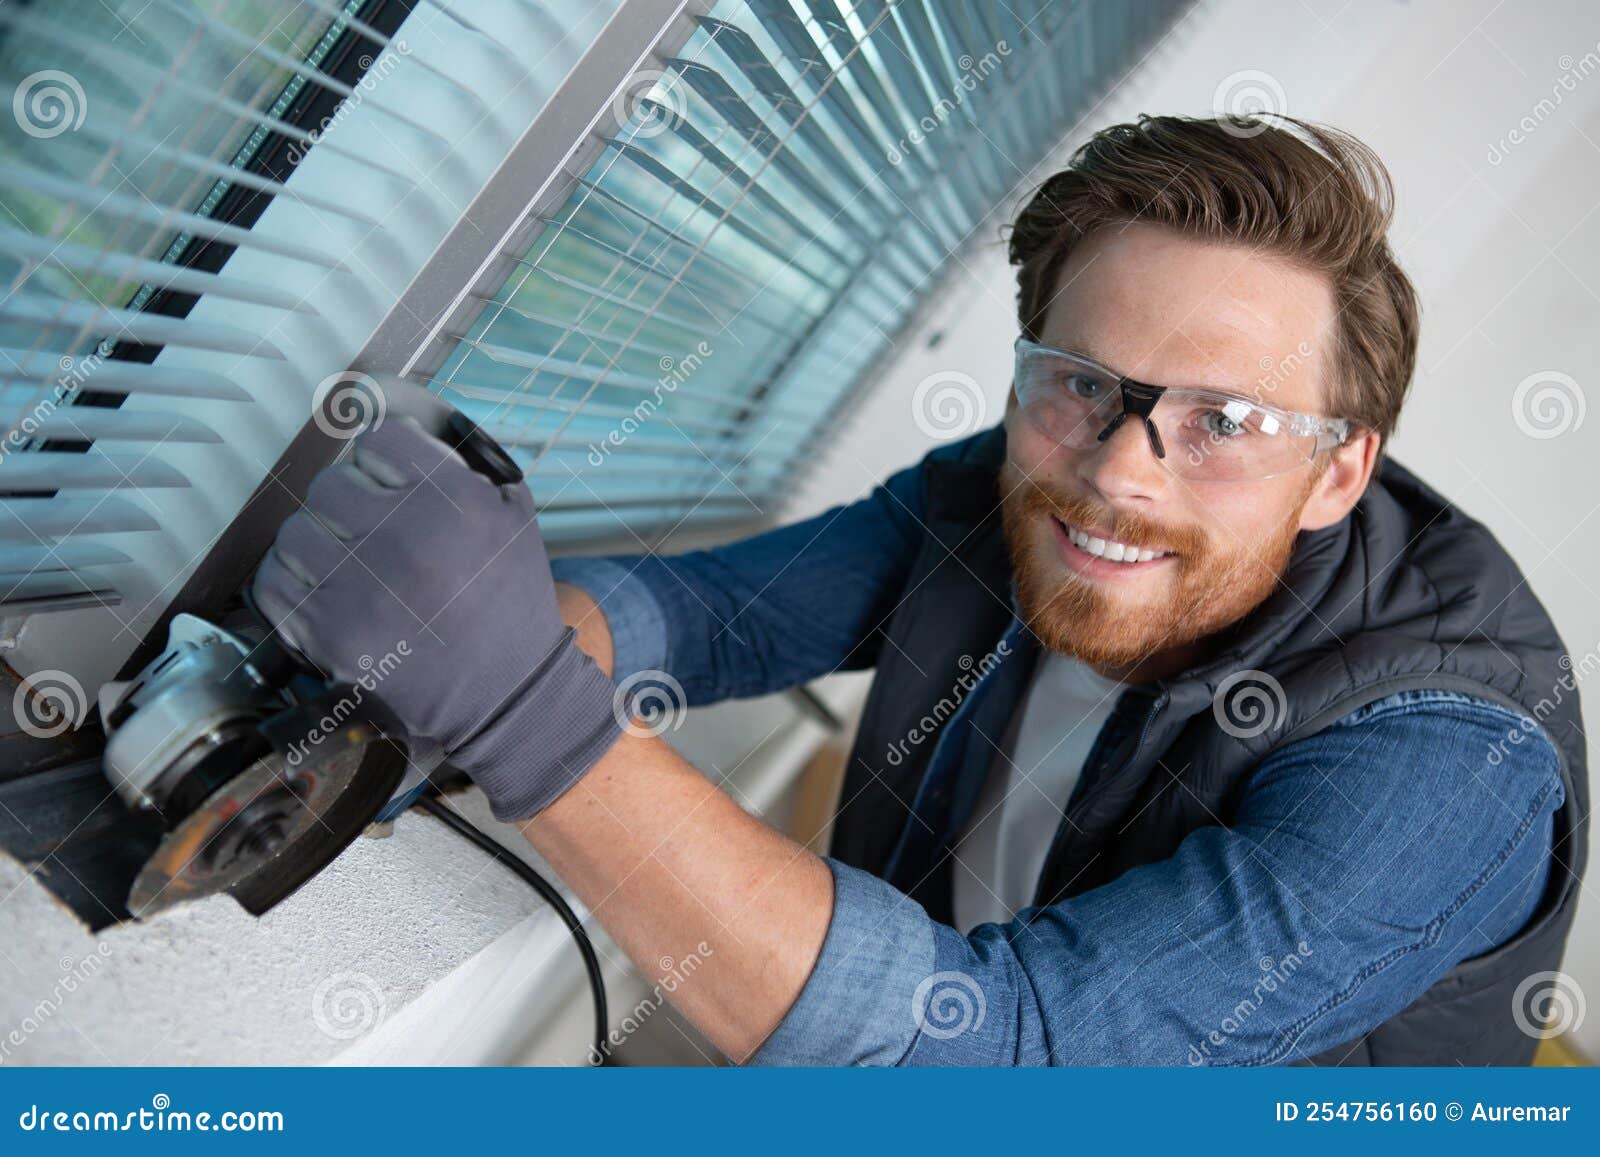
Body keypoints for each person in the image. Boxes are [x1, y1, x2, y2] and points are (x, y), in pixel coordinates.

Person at [253, 115, 1587, 1066]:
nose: (1122, 471)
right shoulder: (999, 484)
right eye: (1083, 383)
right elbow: (698, 618)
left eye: (1223, 418)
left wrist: (524, 707)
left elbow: (1012, 1059)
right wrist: (412, 663)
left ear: (1341, 470)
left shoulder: (1448, 764)